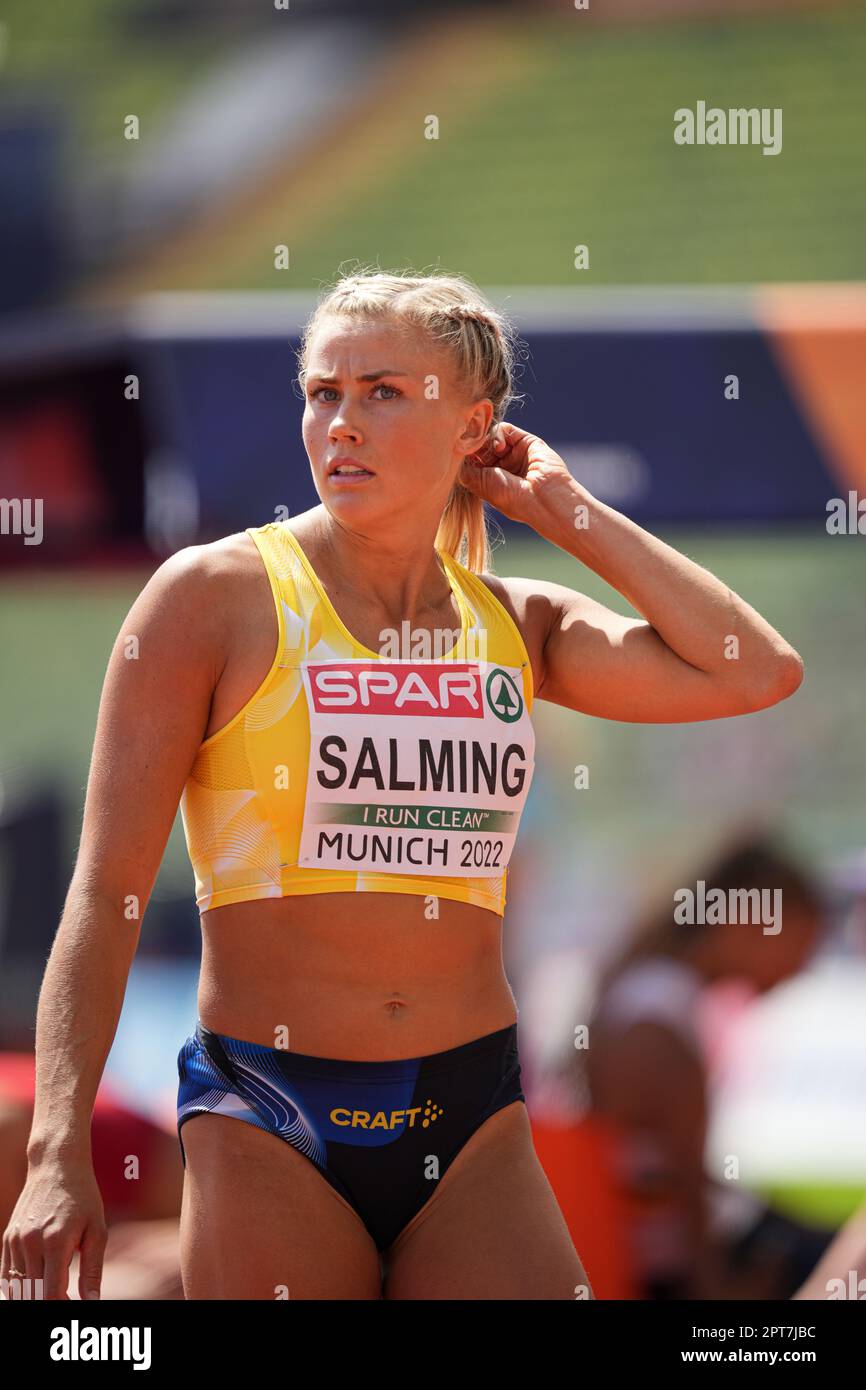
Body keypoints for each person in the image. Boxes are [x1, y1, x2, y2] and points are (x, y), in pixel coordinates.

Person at [1, 267, 805, 1301]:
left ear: (473, 428)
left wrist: (565, 512)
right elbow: (105, 891)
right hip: (269, 1109)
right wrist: (56, 1151)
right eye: (321, 392)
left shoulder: (517, 625)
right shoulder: (213, 598)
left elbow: (753, 668)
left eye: (382, 391)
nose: (340, 423)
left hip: (467, 1112)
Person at [571, 836, 836, 1299]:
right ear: (749, 922)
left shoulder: (648, 994)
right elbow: (681, 1181)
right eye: (802, 942)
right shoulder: (658, 1015)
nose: (800, 968)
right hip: (657, 1269)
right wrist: (715, 1287)